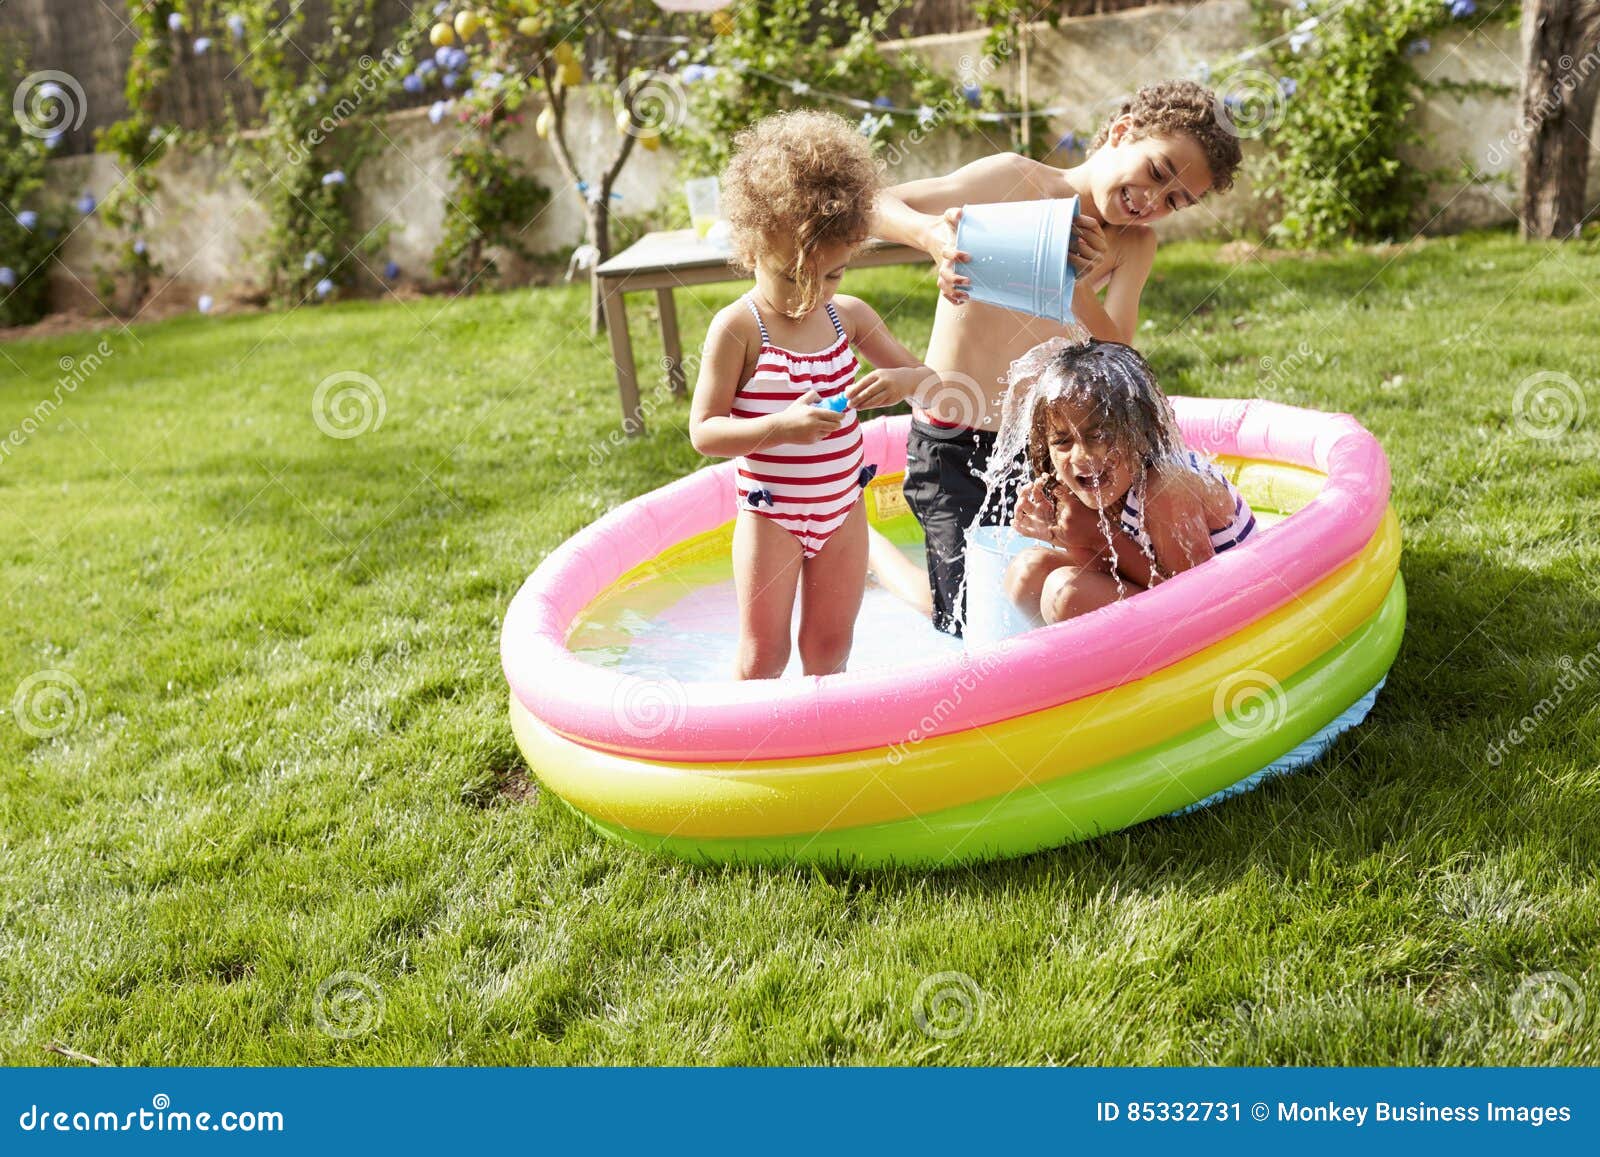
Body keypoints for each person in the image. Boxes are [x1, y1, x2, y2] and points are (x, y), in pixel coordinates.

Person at [868, 80, 1245, 634]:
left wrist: (1076, 291)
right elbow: (870, 200)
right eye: (1158, 173)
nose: (1152, 201)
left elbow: (1121, 360)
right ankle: (871, 550)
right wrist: (929, 235)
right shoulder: (1013, 180)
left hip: (1052, 451)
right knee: (968, 624)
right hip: (952, 444)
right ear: (1122, 133)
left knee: (1039, 604)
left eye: (1174, 202)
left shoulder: (1132, 246)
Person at [689, 111, 938, 680]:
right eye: (790, 275)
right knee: (763, 657)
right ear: (751, 250)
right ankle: (746, 760)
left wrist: (903, 383)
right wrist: (780, 426)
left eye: (831, 276)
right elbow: (704, 432)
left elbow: (930, 381)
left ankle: (822, 757)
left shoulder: (849, 317)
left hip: (843, 508)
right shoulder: (740, 328)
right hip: (773, 513)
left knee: (829, 651)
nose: (810, 294)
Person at [1002, 337, 1256, 624]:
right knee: (1027, 573)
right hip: (1168, 601)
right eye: (1062, 441)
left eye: (1099, 436)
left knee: (1067, 595)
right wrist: (1062, 532)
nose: (1081, 456)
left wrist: (1096, 533)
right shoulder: (1091, 485)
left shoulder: (1167, 489)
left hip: (1236, 611)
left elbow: (1198, 604)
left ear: (1140, 432)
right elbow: (1105, 571)